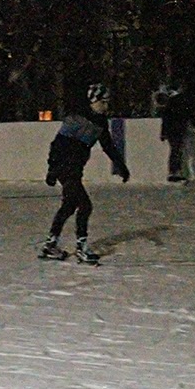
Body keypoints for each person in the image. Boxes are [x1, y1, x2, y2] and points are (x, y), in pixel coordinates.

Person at [40, 83, 130, 265]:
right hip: (66, 168)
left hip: (75, 168)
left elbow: (108, 145)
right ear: (95, 101)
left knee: (69, 206)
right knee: (85, 206)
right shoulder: (76, 118)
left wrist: (121, 165)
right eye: (104, 102)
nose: (107, 106)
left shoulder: (101, 122)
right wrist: (52, 169)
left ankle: (50, 245)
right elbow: (57, 146)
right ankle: (81, 247)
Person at [155, 85, 191, 182]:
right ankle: (175, 171)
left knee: (176, 150)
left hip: (173, 130)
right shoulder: (180, 105)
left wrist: (163, 133)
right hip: (178, 130)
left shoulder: (170, 106)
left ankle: (175, 171)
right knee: (177, 150)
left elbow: (165, 119)